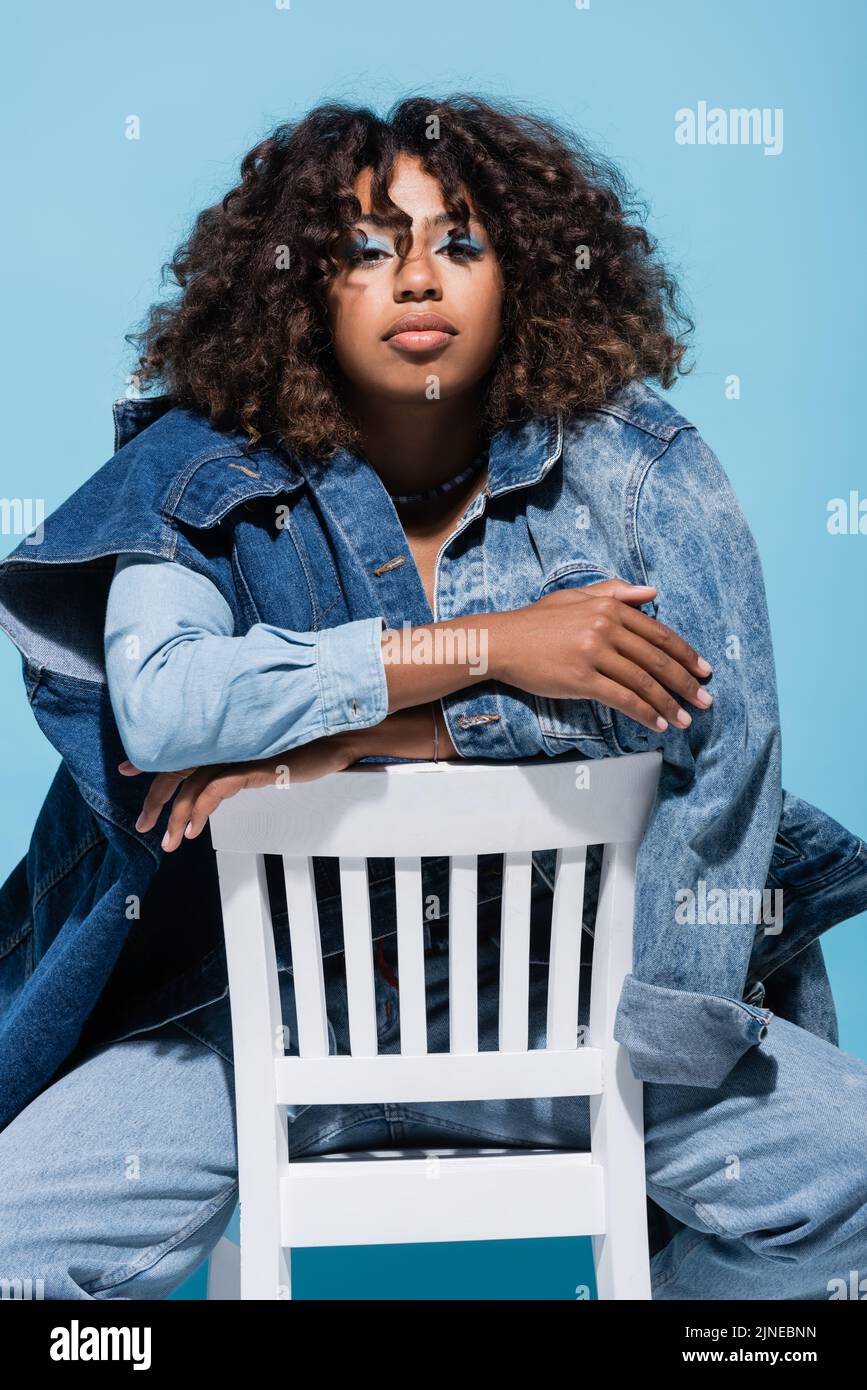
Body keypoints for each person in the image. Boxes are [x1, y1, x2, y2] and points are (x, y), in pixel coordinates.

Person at [0, 95, 865, 1300]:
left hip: (573, 1014)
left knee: (850, 1185)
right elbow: (164, 705)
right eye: (367, 249)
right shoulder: (195, 469)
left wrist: (342, 740)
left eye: (459, 242)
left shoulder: (638, 470)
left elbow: (707, 745)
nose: (417, 279)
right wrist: (490, 646)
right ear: (299, 287)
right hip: (260, 1019)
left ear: (524, 278)